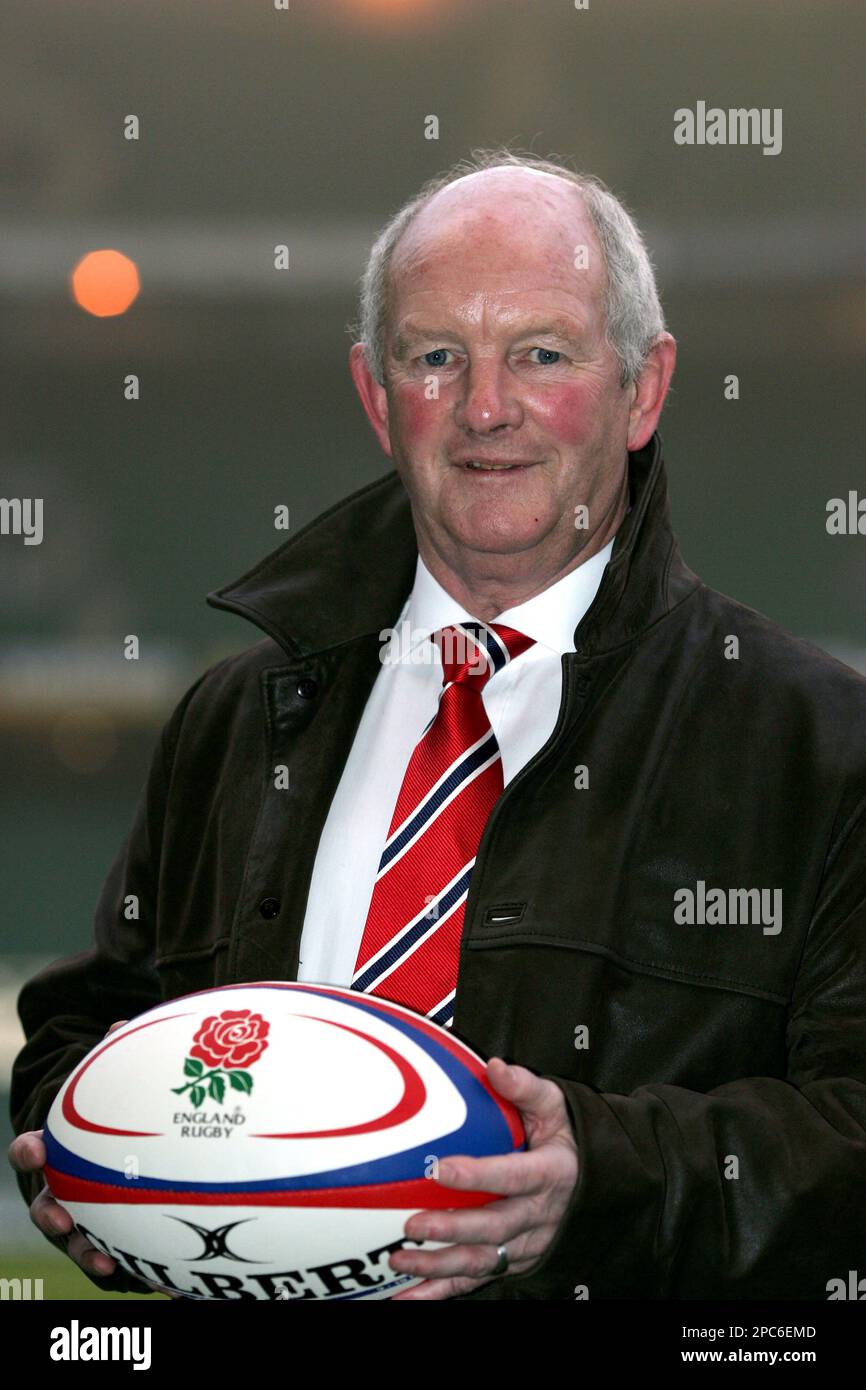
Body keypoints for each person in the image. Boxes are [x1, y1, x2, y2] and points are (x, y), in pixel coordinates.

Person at [9, 149, 866, 1301]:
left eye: (541, 353)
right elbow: (96, 1019)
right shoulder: (236, 717)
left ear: (644, 388)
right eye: (435, 357)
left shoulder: (815, 745)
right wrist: (92, 1155)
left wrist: (602, 1178)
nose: (484, 407)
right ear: (376, 395)